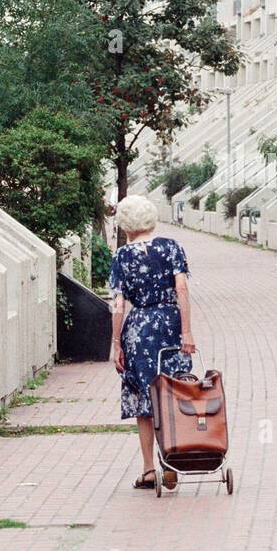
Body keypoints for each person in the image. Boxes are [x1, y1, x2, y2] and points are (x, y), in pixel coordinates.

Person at [108, 195, 196, 491]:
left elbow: (118, 304)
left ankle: (148, 469)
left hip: (140, 330)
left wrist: (116, 342)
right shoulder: (171, 247)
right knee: (172, 390)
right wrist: (187, 332)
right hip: (170, 325)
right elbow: (181, 288)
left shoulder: (121, 257)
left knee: (143, 397)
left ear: (124, 224)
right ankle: (172, 458)